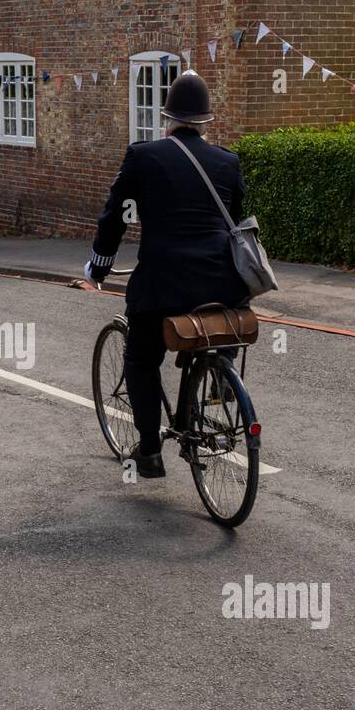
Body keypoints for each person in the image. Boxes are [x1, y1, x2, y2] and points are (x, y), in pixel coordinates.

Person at [83, 70, 248, 479]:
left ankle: (151, 452)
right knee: (218, 326)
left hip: (163, 283)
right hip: (222, 282)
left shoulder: (144, 156)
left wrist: (99, 267)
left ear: (167, 118)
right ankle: (220, 369)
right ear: (206, 121)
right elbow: (240, 225)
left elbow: (113, 219)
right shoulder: (228, 161)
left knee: (141, 358)